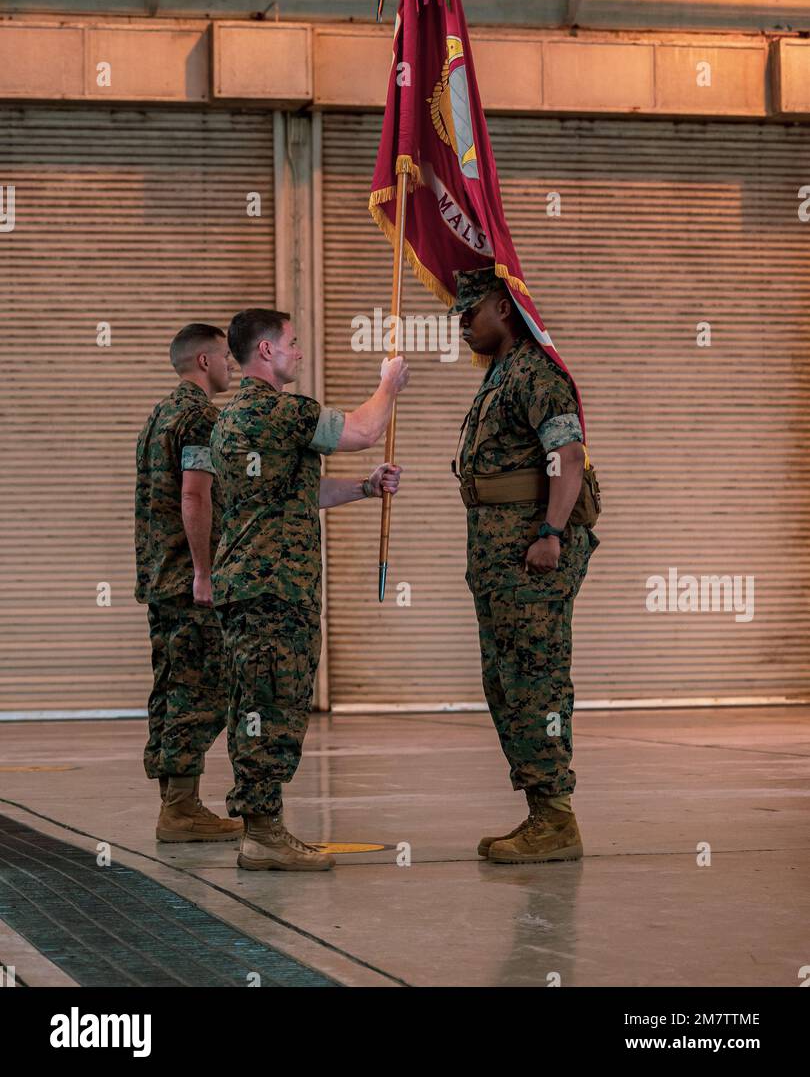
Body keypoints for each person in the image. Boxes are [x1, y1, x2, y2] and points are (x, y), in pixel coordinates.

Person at [211, 308, 408, 872]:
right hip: (276, 590)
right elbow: (365, 430)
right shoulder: (284, 411)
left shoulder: (229, 423)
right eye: (292, 344)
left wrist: (365, 489)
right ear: (267, 352)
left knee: (254, 702)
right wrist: (388, 385)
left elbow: (301, 492)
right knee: (274, 705)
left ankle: (261, 825)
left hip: (245, 586)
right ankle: (263, 834)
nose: (298, 352)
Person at [450, 267, 599, 863]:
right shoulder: (500, 376)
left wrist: (551, 533)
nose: (461, 323)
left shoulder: (535, 372)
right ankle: (540, 811)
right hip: (500, 558)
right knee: (506, 680)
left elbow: (565, 454)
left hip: (532, 556)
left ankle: (556, 819)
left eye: (470, 312)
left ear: (505, 309)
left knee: (535, 678)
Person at [134, 323, 241, 843]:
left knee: (171, 685)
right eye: (225, 356)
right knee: (201, 687)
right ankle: (180, 809)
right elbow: (195, 497)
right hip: (186, 578)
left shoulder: (160, 414)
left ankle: (176, 803)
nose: (231, 366)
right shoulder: (200, 417)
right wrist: (204, 572)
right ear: (203, 361)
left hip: (160, 574)